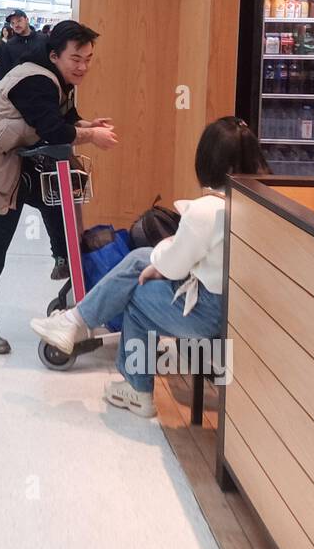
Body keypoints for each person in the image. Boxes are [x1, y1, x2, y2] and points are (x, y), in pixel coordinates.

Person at [30, 118, 270, 417]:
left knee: (137, 293)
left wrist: (159, 264)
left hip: (208, 312)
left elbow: (176, 263)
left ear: (208, 159)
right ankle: (76, 321)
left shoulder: (209, 210)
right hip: (239, 308)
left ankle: (136, 389)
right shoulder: (259, 201)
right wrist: (158, 261)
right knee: (142, 258)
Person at [0, 20, 119, 353]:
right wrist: (92, 137)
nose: (83, 66)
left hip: (12, 161)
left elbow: (63, 118)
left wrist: (87, 125)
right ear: (55, 55)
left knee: (58, 195)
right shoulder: (35, 80)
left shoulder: (55, 77)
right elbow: (54, 130)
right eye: (76, 58)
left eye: (88, 58)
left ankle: (63, 259)